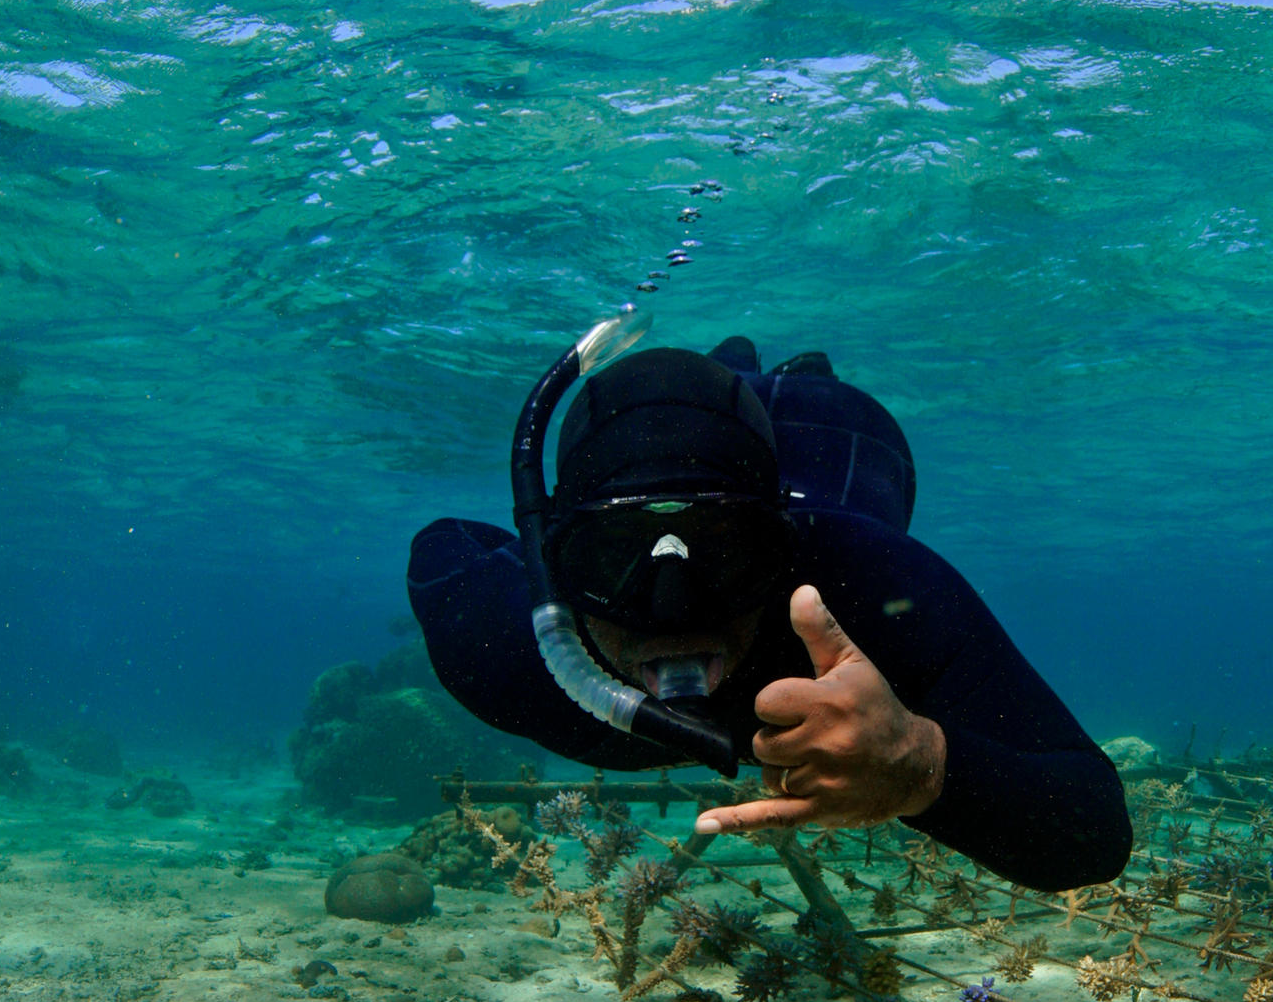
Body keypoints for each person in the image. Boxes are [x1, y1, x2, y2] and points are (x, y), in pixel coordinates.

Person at [404, 325, 1131, 893]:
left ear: (784, 554)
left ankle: (763, 375)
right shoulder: (504, 645)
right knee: (710, 405)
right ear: (557, 563)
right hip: (734, 471)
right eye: (612, 554)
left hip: (829, 437)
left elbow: (1095, 834)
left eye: (725, 551)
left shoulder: (864, 584)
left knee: (816, 404)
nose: (671, 610)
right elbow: (440, 542)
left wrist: (920, 765)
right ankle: (730, 368)